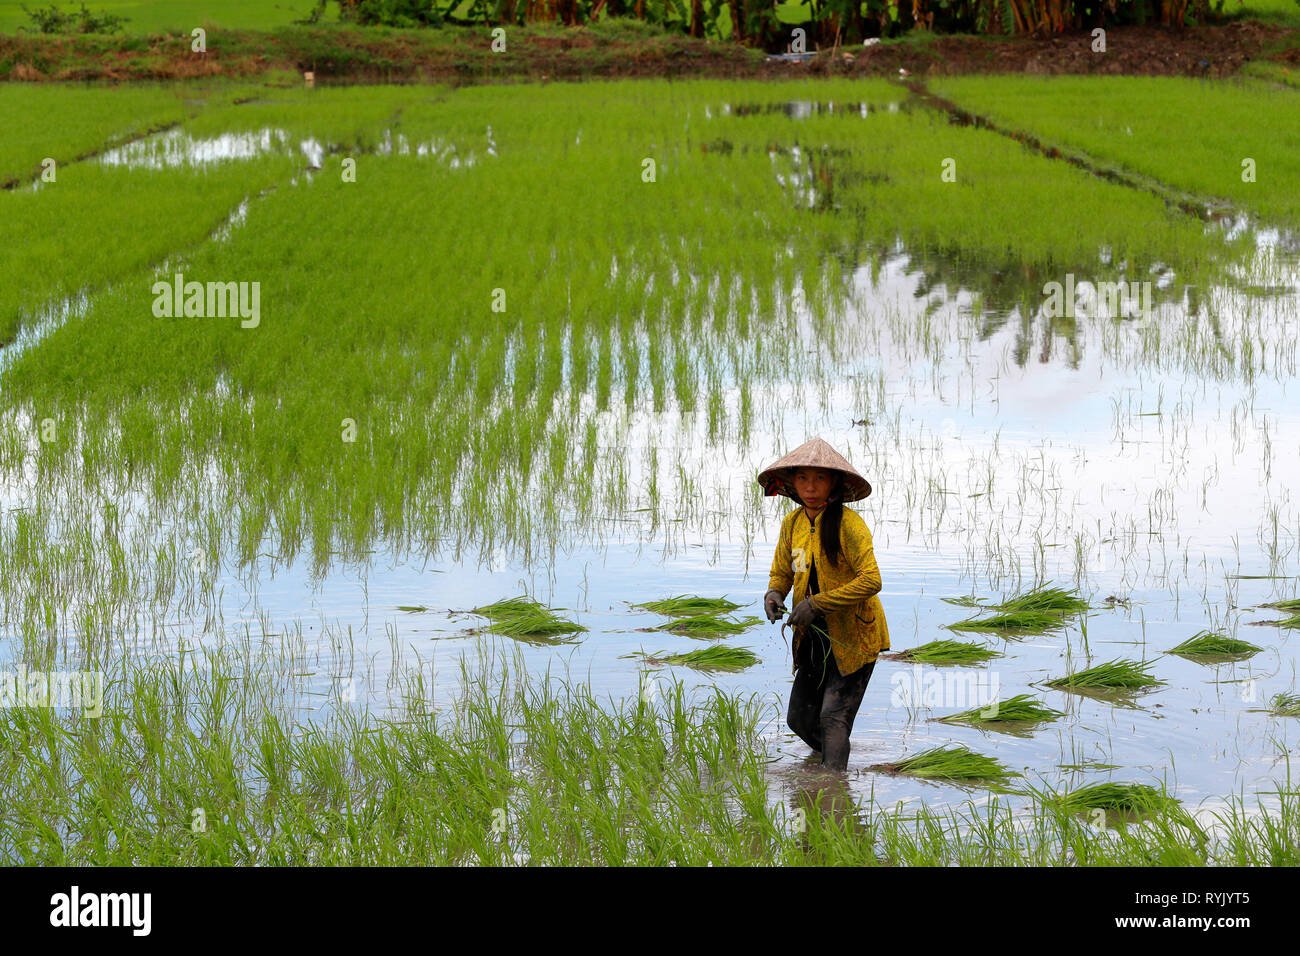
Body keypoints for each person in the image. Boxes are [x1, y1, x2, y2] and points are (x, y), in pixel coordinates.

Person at [758, 437, 890, 772]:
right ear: (792, 483)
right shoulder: (792, 524)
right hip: (813, 638)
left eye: (820, 478)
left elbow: (872, 580)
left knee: (833, 718)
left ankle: (834, 788)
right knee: (799, 719)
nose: (811, 487)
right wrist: (774, 596)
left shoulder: (850, 525)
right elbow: (781, 573)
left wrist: (819, 603)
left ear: (835, 483)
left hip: (854, 638)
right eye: (803, 478)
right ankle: (833, 769)